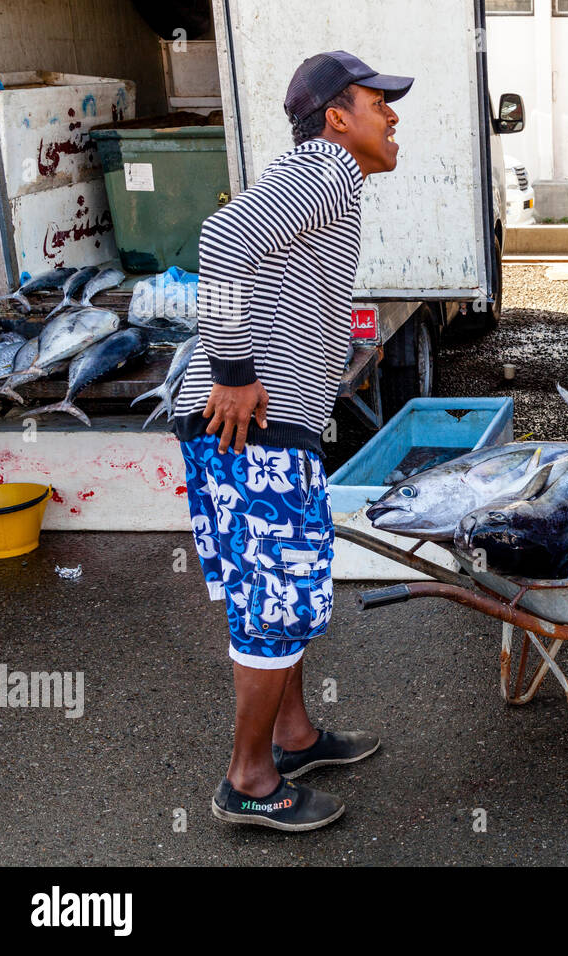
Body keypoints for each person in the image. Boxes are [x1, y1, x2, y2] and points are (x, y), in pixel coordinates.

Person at [170, 51, 411, 831]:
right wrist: (236, 370)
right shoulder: (327, 167)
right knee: (275, 598)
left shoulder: (325, 175)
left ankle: (294, 738)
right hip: (248, 423)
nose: (394, 116)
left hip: (264, 427)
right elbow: (221, 238)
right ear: (338, 118)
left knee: (283, 583)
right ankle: (246, 779)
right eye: (381, 103)